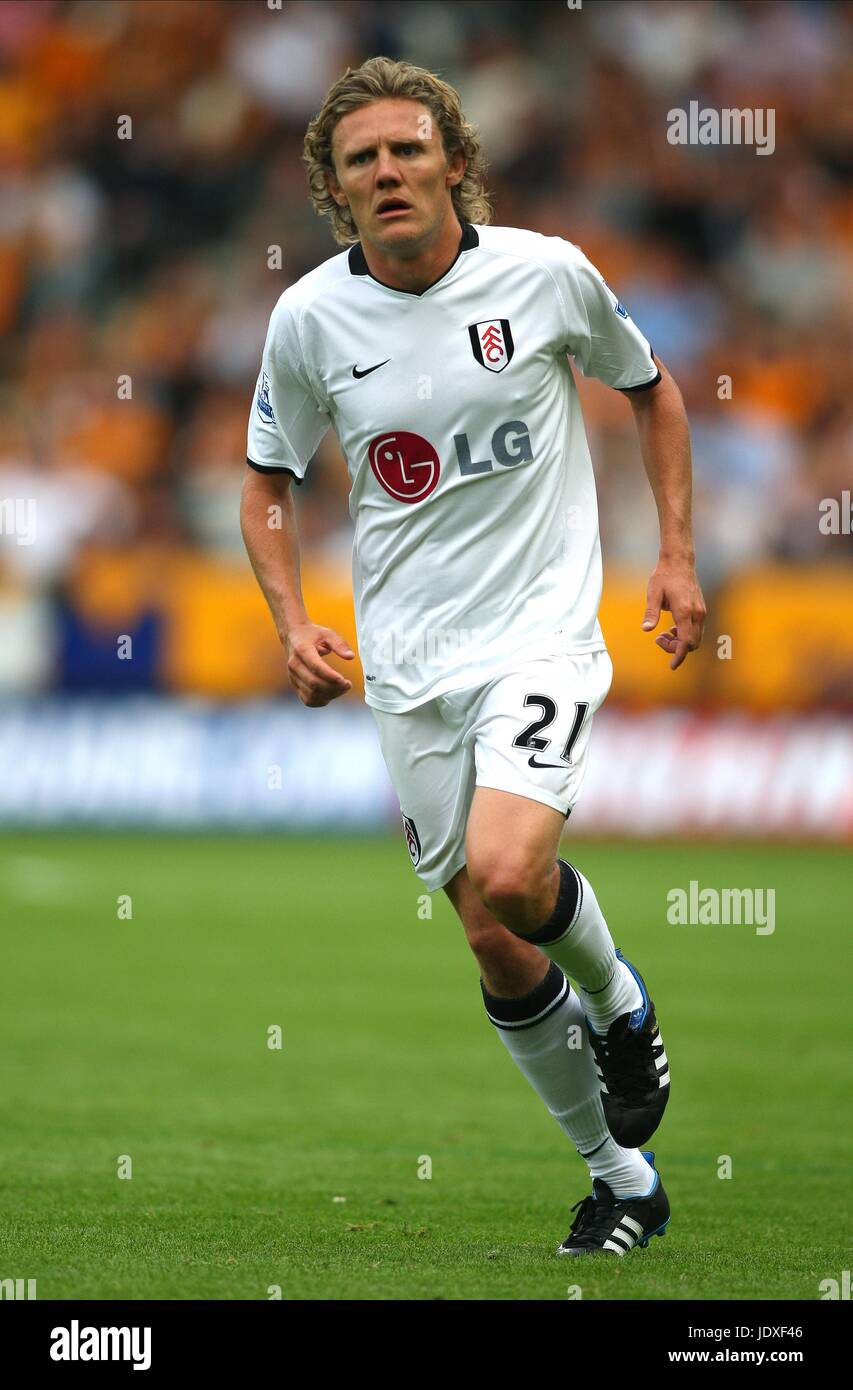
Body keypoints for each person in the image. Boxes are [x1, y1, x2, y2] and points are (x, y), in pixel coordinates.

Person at [240, 56, 706, 1257]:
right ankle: (623, 1180)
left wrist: (675, 556)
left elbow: (652, 392)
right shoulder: (310, 321)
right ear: (333, 191)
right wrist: (291, 618)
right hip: (408, 664)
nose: (386, 172)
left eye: (406, 149)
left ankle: (619, 1001)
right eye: (360, 161)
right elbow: (265, 481)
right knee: (493, 938)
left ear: (452, 158)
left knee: (509, 872)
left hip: (540, 631)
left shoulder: (544, 275)